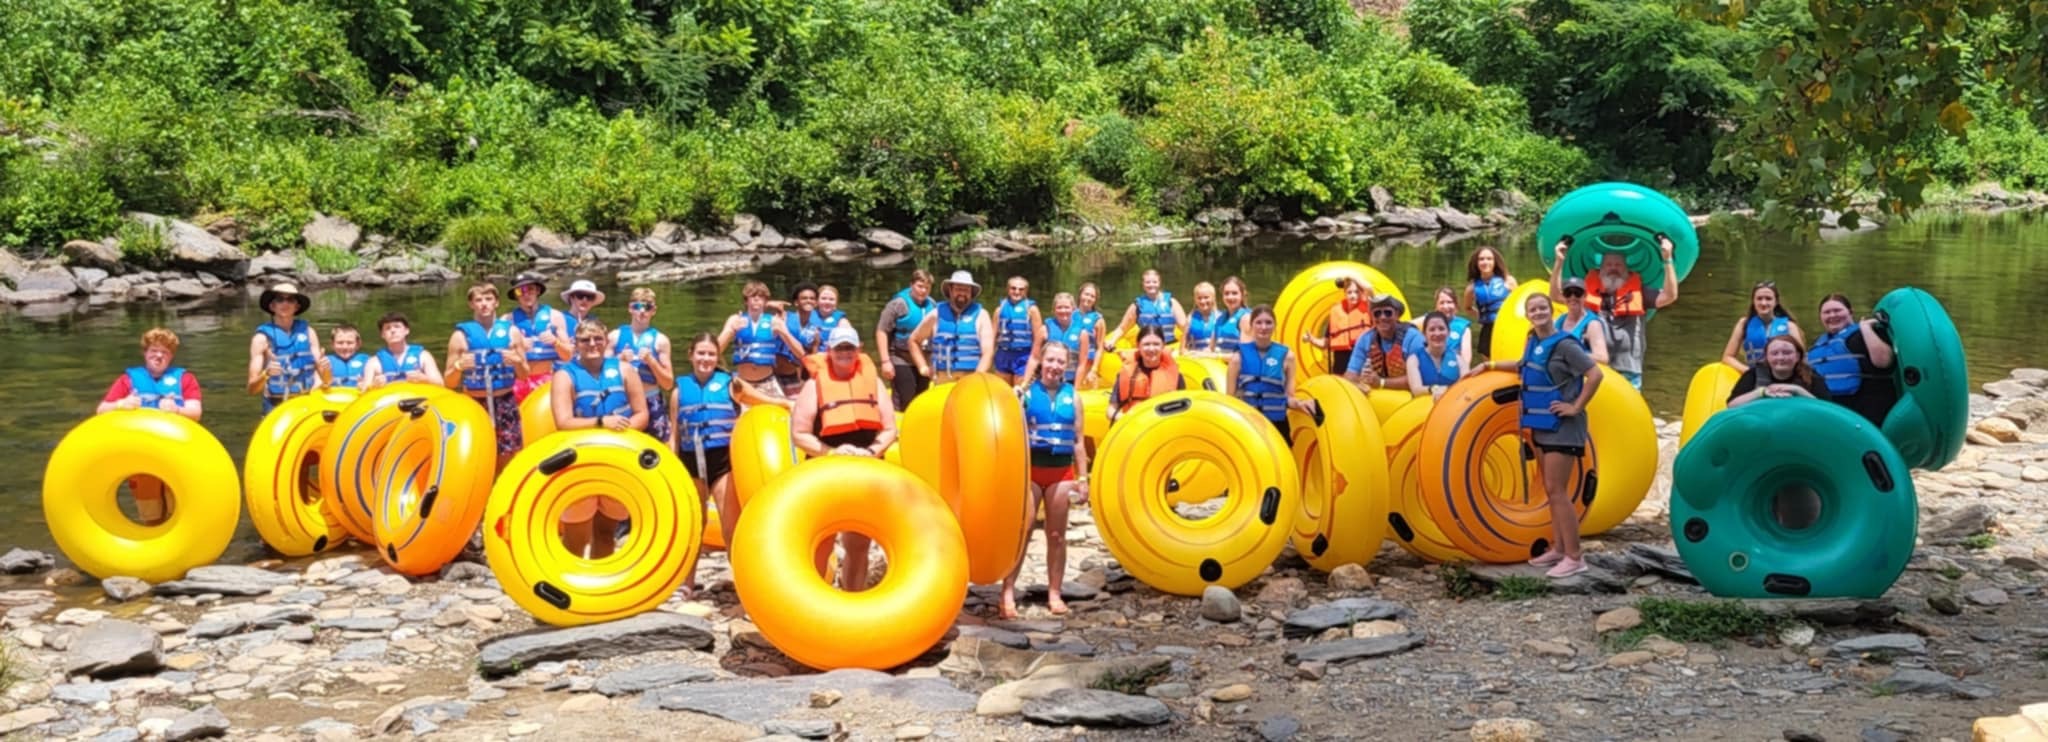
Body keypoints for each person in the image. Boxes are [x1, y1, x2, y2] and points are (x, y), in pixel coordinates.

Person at [1479, 293, 1602, 578]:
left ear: (1551, 310)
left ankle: (1575, 556)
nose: (1538, 313)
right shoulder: (1532, 339)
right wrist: (1488, 365)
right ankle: (1559, 548)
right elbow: (1524, 366)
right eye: (1533, 309)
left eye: (1542, 308)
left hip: (1563, 427)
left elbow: (1595, 375)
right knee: (1550, 489)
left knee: (1558, 490)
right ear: (1528, 314)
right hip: (1540, 423)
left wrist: (1575, 406)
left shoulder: (1567, 345)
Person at [790, 324, 899, 591]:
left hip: (864, 468)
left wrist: (872, 452)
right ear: (829, 351)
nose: (845, 354)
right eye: (840, 348)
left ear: (858, 350)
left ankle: (853, 596)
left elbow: (890, 429)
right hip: (824, 471)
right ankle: (813, 599)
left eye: (850, 348)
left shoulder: (873, 382)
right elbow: (799, 434)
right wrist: (831, 452)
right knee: (822, 540)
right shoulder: (814, 386)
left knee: (858, 543)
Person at [1003, 342, 1090, 619]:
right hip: (1031, 470)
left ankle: (1054, 592)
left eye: (1060, 362)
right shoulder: (1025, 393)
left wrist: (1083, 478)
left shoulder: (1073, 397)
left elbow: (1077, 441)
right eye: (1050, 360)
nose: (1055, 366)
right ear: (1042, 361)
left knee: (1057, 535)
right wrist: (1012, 398)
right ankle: (1007, 592)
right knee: (1023, 531)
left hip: (1061, 472)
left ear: (1067, 365)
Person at [672, 333, 762, 597]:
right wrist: (671, 466)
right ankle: (686, 583)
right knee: (693, 525)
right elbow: (675, 434)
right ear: (691, 355)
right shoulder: (680, 389)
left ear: (717, 357)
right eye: (701, 353)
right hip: (690, 461)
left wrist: (789, 404)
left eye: (711, 354)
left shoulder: (731, 384)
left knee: (730, 525)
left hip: (721, 460)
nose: (705, 359)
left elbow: (760, 401)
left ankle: (745, 585)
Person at [551, 319, 649, 560]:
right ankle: (570, 585)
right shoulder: (565, 375)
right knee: (577, 535)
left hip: (617, 455)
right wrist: (600, 423)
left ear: (606, 342)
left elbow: (642, 414)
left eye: (597, 339)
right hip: (582, 458)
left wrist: (622, 432)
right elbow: (563, 422)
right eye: (585, 340)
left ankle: (599, 587)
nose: (592, 344)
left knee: (606, 532)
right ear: (576, 344)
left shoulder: (625, 370)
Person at [99, 328, 202, 525]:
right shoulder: (127, 380)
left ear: (171, 356)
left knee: (178, 511)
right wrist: (121, 404)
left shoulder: (186, 379)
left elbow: (196, 411)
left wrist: (176, 409)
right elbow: (102, 410)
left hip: (176, 454)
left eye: (165, 352)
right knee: (150, 513)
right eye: (154, 350)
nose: (159, 355)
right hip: (142, 455)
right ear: (145, 353)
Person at [1550, 237, 1678, 388]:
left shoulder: (1640, 292)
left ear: (1626, 269)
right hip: (1593, 368)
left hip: (1629, 371)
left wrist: (1668, 260)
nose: (1613, 268)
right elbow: (1556, 295)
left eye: (1618, 265)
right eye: (1608, 264)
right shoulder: (1584, 293)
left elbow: (1669, 296)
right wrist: (1559, 262)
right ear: (1600, 270)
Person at [446, 284, 532, 468]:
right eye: (478, 300)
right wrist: (458, 367)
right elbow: (449, 382)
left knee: (510, 453)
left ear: (496, 303)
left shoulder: (512, 332)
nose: (484, 304)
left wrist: (517, 361)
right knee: (477, 453)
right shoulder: (460, 336)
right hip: (476, 402)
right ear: (471, 304)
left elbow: (524, 375)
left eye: (488, 299)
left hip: (505, 400)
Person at [1229, 306, 1316, 444]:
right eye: (1259, 322)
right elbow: (1230, 399)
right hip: (1249, 425)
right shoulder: (1237, 358)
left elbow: (1288, 397)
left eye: (1268, 322)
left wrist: (1301, 403)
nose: (1263, 327)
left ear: (1275, 326)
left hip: (1277, 424)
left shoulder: (1288, 356)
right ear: (1251, 325)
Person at [1806, 294, 1898, 425]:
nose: (1832, 315)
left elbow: (1884, 362)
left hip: (1870, 410)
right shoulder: (1817, 346)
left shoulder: (1866, 332)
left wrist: (1866, 328)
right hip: (1835, 412)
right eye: (1826, 312)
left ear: (1850, 312)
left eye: (1837, 310)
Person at [608, 288, 676, 445]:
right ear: (630, 308)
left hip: (651, 398)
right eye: (637, 307)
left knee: (658, 445)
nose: (642, 312)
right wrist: (619, 360)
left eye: (647, 307)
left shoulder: (661, 341)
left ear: (654, 311)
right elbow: (600, 374)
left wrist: (652, 362)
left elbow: (668, 383)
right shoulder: (614, 337)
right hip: (624, 401)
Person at [718, 281, 806, 401]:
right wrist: (731, 331)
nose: (757, 299)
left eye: (761, 297)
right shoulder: (735, 319)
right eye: (753, 296)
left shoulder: (775, 321)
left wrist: (784, 333)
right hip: (743, 382)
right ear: (746, 301)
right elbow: (715, 350)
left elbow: (800, 353)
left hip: (767, 382)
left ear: (766, 302)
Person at [246, 283, 323, 413]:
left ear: (296, 306)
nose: (285, 303)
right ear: (272, 306)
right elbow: (252, 389)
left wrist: (322, 377)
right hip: (275, 405)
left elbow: (321, 373)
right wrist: (266, 374)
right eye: (280, 299)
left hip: (306, 401)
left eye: (290, 300)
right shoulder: (261, 339)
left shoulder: (309, 332)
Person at [909, 270, 994, 383]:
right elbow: (913, 340)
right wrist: (923, 368)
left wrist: (977, 378)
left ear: (971, 292)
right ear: (950, 290)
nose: (962, 293)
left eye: (966, 290)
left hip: (970, 380)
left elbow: (988, 353)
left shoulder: (982, 315)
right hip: (942, 379)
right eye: (958, 289)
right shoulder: (936, 314)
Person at [875, 270, 938, 410]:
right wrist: (885, 361)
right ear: (911, 285)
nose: (923, 291)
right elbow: (882, 331)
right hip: (900, 357)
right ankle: (897, 421)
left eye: (927, 288)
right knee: (906, 395)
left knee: (922, 396)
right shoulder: (897, 304)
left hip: (923, 358)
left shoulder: (933, 305)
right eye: (919, 286)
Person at [504, 272, 571, 403]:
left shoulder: (555, 317)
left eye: (530, 289)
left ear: (537, 291)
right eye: (520, 291)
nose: (526, 294)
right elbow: (500, 356)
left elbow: (568, 355)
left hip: (547, 379)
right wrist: (517, 346)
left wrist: (556, 342)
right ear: (515, 296)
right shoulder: (507, 321)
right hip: (518, 380)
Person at [1344, 295, 1423, 393]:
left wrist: (1381, 382)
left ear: (1397, 315)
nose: (1382, 317)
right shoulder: (1365, 339)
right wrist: (1357, 383)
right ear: (1372, 317)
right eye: (1377, 313)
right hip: (1378, 399)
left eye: (1388, 313)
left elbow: (1422, 377)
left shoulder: (1413, 337)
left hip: (1409, 398)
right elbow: (1350, 374)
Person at [1720, 281, 1802, 373]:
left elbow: (1801, 359)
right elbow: (1727, 357)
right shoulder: (1744, 324)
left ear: (1776, 302)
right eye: (1759, 299)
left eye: (1768, 299)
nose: (1763, 303)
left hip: (1782, 376)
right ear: (1753, 301)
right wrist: (1748, 372)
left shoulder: (1790, 326)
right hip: (1754, 374)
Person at [1728, 334, 1831, 407]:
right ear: (1767, 357)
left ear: (1797, 356)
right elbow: (1731, 405)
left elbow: (1828, 409)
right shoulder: (1753, 375)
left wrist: (1798, 391)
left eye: (1787, 353)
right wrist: (1761, 392)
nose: (1780, 358)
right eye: (1774, 353)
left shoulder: (1812, 376)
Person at [1300, 276, 1372, 376]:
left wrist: (1350, 276)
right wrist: (1311, 339)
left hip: (1361, 360)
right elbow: (1325, 344)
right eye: (1349, 292)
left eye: (1356, 292)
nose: (1353, 295)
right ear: (1345, 294)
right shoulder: (1336, 313)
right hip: (1340, 364)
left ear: (1361, 293)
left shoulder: (1368, 308)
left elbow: (1369, 287)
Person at [1109, 326, 1184, 421]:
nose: (1151, 349)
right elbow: (1111, 410)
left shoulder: (1176, 375)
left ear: (1163, 346)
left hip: (1162, 426)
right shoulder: (1126, 373)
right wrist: (1127, 419)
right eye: (1146, 344)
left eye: (1156, 344)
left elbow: (1182, 409)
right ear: (1138, 346)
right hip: (1133, 425)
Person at [1023, 292, 1095, 386]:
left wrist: (1075, 390)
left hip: (1069, 381)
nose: (1063, 310)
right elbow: (1034, 357)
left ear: (1073, 309)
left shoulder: (1082, 333)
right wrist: (1025, 383)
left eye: (1066, 307)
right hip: (1044, 380)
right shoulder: (1045, 329)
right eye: (1059, 307)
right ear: (1054, 309)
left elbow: (1082, 365)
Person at [1105, 269, 1189, 347]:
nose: (1151, 285)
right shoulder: (1137, 305)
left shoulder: (1171, 302)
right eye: (1148, 282)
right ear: (1143, 284)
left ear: (1159, 283)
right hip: (1147, 347)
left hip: (1169, 345)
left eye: (1154, 282)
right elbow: (1122, 328)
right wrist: (1112, 341)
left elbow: (1184, 326)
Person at [363, 312, 444, 389]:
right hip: (390, 401)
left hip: (418, 399)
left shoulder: (423, 355)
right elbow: (364, 389)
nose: (393, 331)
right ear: (382, 335)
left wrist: (425, 379)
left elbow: (440, 384)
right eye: (387, 328)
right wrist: (374, 385)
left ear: (406, 330)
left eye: (397, 326)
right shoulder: (374, 362)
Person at [1462, 247, 1517, 359]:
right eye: (1481, 259)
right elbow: (1467, 308)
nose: (1485, 262)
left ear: (1495, 262)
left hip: (1506, 327)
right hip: (1487, 328)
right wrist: (1481, 316)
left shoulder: (1508, 281)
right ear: (1476, 263)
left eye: (1489, 259)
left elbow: (1519, 304)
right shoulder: (1472, 288)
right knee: (1488, 361)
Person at [991, 276, 1045, 385]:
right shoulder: (999, 310)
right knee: (1003, 391)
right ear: (1008, 289)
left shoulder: (1032, 310)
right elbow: (992, 337)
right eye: (1013, 288)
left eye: (1021, 289)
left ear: (1026, 291)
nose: (1017, 292)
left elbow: (1038, 339)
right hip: (1003, 354)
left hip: (1023, 355)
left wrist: (1038, 361)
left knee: (1020, 391)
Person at [773, 283, 824, 397]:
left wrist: (807, 382)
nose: (808, 301)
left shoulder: (815, 329)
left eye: (812, 298)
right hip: (772, 374)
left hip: (792, 375)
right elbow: (754, 308)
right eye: (804, 298)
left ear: (816, 303)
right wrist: (770, 303)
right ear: (796, 302)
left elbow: (811, 359)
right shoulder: (783, 317)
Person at [1552, 277, 1611, 365]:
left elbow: (1603, 358)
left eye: (1577, 293)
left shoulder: (1592, 324)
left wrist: (1573, 354)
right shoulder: (1559, 320)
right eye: (1568, 293)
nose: (1573, 297)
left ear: (1585, 296)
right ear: (1563, 297)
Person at [1406, 312, 1464, 400]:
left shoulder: (1459, 360)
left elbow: (1467, 386)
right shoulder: (1414, 359)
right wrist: (1434, 389)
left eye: (1441, 329)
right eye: (1432, 329)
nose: (1437, 334)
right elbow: (1416, 389)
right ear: (1424, 334)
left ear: (1448, 332)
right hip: (1423, 408)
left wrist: (1446, 390)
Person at [1422, 287, 1475, 373]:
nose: (1445, 306)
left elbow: (1466, 360)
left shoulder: (1464, 328)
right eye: (1442, 303)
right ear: (1436, 306)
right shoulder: (1427, 320)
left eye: (1449, 302)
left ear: (1456, 305)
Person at [1076, 282, 1110, 388]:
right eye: (1086, 294)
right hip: (1071, 361)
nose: (1088, 298)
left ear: (1095, 300)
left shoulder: (1098, 320)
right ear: (1080, 295)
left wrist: (1094, 370)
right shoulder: (1069, 314)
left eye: (1092, 296)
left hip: (1088, 364)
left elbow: (1100, 348)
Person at [1182, 282, 1230, 355]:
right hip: (1196, 358)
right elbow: (1182, 348)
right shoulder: (1190, 318)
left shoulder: (1221, 318)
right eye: (1199, 298)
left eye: (1206, 297)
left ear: (1213, 298)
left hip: (1215, 357)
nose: (1203, 301)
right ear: (1195, 299)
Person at [320, 323, 371, 390]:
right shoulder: (326, 362)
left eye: (349, 343)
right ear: (332, 344)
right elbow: (323, 384)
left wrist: (366, 383)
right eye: (340, 343)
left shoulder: (367, 361)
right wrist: (326, 371)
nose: (345, 347)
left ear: (358, 344)